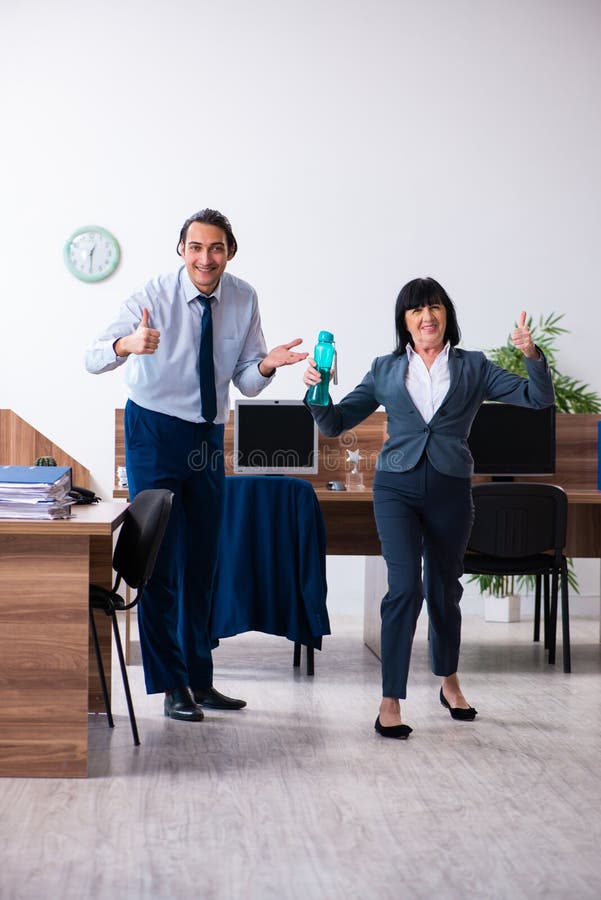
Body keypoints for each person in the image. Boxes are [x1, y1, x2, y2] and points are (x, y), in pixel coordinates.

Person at [303, 277, 555, 739]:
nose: (427, 317)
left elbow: (539, 399)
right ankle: (390, 700)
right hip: (396, 486)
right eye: (416, 310)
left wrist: (532, 355)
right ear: (404, 321)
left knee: (443, 589)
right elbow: (335, 424)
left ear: (446, 315)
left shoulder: (474, 366)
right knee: (404, 588)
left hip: (450, 486)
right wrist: (316, 392)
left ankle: (449, 681)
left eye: (434, 307)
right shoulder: (384, 368)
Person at [85, 208, 307, 722]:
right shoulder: (153, 296)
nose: (205, 258)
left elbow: (247, 380)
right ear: (181, 250)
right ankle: (170, 686)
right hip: (154, 431)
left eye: (216, 248)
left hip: (207, 434)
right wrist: (128, 344)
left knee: (204, 560)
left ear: (229, 252)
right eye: (196, 247)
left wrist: (268, 364)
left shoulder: (244, 297)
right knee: (161, 563)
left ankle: (200, 680)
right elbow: (93, 355)